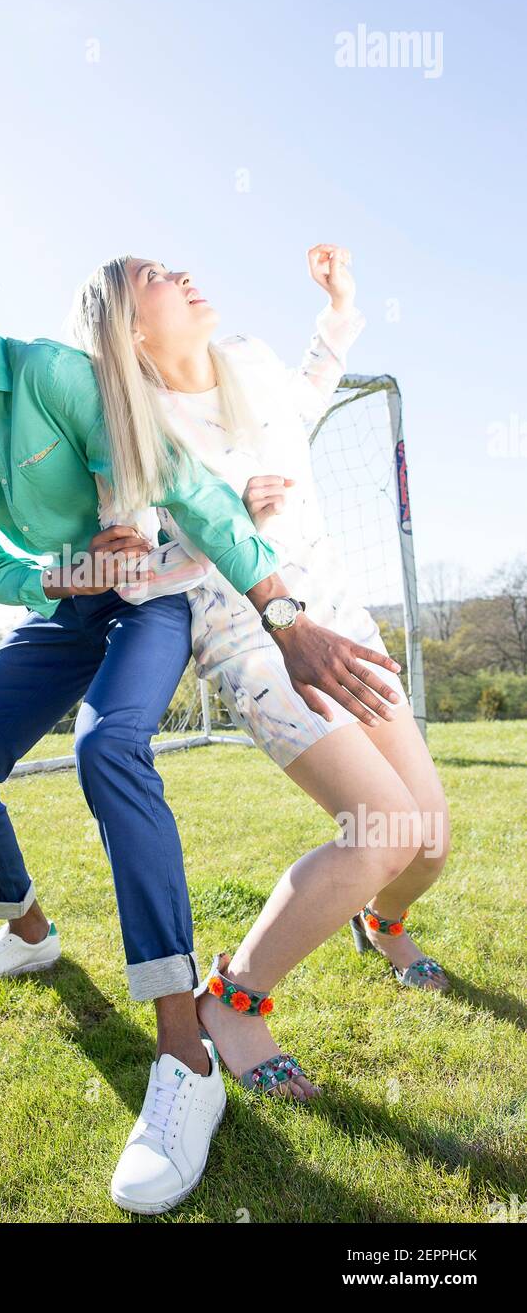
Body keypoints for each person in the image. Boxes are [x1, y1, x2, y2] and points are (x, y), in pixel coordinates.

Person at [0, 219, 401, 1215]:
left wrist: (279, 612)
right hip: (72, 599)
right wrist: (67, 570)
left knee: (108, 743)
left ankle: (184, 1050)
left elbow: (180, 485)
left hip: (152, 594)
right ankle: (26, 931)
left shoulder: (57, 374)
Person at [72, 242, 451, 1114]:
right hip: (251, 639)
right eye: (156, 280)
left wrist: (339, 312)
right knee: (382, 828)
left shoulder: (246, 360)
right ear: (130, 328)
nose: (183, 274)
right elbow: (136, 574)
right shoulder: (132, 434)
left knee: (427, 840)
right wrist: (226, 525)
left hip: (339, 620)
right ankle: (232, 1000)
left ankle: (380, 922)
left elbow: (299, 406)